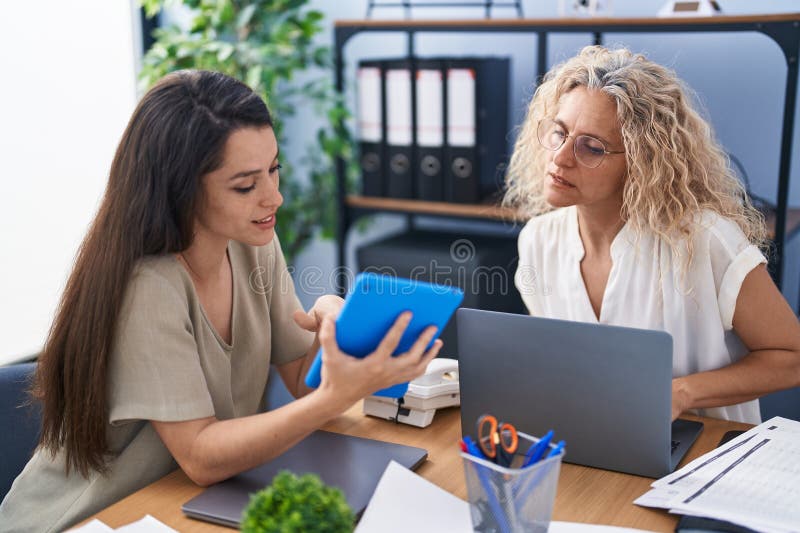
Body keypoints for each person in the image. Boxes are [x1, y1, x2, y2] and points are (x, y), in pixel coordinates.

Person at [0, 70, 442, 532]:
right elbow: (201, 456)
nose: (276, 197)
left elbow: (302, 381)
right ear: (181, 189)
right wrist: (335, 397)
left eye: (274, 170)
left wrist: (338, 335)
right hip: (92, 518)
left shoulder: (253, 243)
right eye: (245, 186)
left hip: (185, 503)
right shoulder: (148, 286)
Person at [505, 45, 800, 425]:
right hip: (596, 438)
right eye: (558, 133)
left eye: (591, 147)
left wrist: (682, 392)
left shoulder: (704, 240)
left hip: (705, 452)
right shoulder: (538, 241)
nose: (560, 158)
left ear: (641, 163)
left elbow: (791, 356)